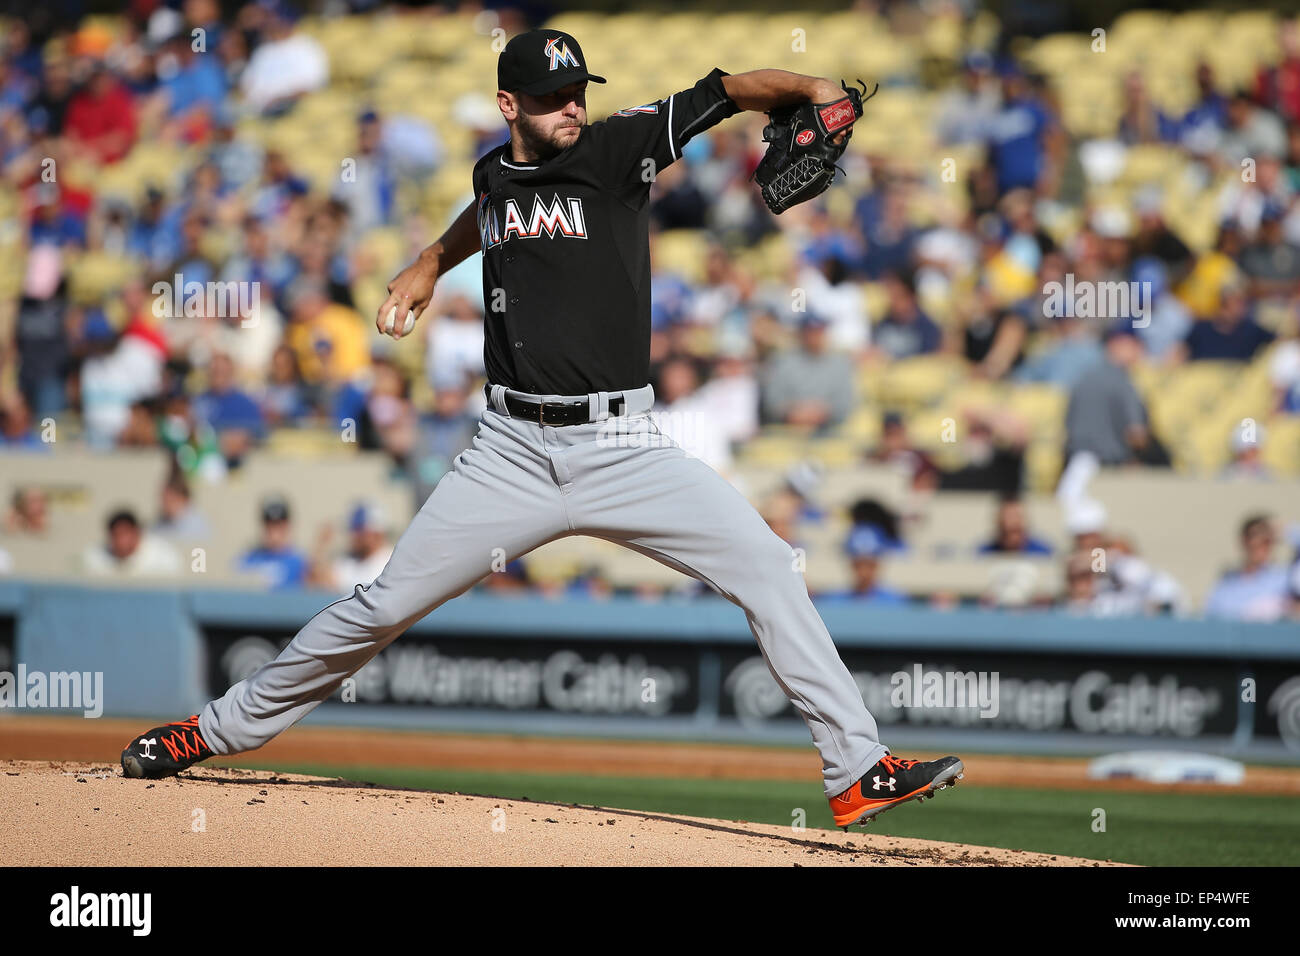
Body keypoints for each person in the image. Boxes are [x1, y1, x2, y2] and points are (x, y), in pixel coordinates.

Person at [120, 29, 963, 829]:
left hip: (622, 445)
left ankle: (857, 770)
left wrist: (812, 86)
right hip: (510, 452)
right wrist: (428, 262)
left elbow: (727, 90)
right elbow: (486, 207)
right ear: (508, 104)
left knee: (769, 566)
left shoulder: (617, 148)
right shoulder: (494, 172)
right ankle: (213, 731)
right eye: (555, 95)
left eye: (577, 91)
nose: (572, 105)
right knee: (380, 606)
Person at [1205, 514, 1290, 622]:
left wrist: (1289, 532)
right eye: (1254, 537)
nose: (1260, 544)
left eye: (1266, 540)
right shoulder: (1227, 583)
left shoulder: (1283, 580)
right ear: (1244, 541)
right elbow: (1211, 617)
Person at [235, 495, 309, 591]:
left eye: (279, 526)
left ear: (288, 526)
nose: (274, 533)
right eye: (270, 526)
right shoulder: (249, 559)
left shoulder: (300, 562)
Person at [82, 508, 182, 578]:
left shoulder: (163, 556)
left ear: (137, 532)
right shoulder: (95, 557)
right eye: (117, 535)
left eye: (125, 534)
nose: (121, 541)